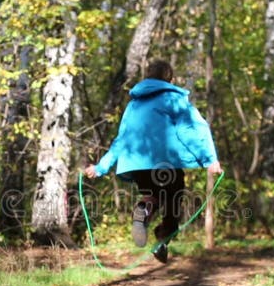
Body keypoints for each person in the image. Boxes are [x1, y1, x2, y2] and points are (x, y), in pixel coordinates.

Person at [83, 59, 222, 263]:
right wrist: (209, 159)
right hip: (165, 162)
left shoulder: (134, 103)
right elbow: (191, 129)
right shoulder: (173, 98)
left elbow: (122, 138)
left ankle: (144, 211)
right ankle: (162, 239)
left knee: (153, 196)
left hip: (137, 163)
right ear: (169, 78)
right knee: (173, 205)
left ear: (147, 76)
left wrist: (101, 167)